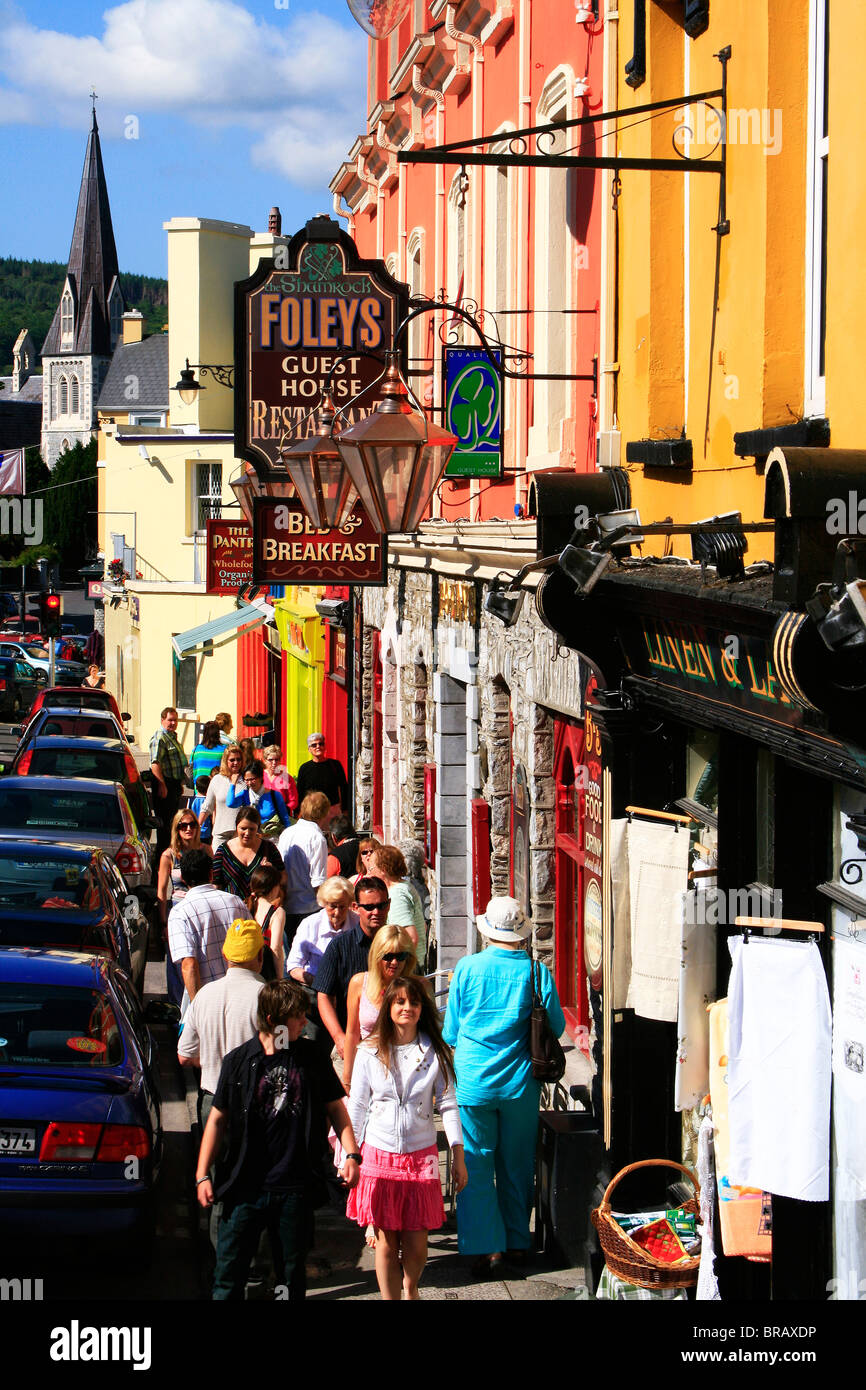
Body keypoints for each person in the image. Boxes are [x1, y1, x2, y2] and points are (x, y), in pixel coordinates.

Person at [195, 979, 362, 1301]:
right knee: (228, 1277)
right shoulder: (239, 1061)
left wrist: (351, 1154)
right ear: (273, 1021)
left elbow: (336, 1109)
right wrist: (203, 1173)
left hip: (294, 1189)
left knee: (289, 1278)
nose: (304, 1021)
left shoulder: (311, 1057)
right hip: (245, 1188)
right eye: (298, 1016)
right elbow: (217, 1118)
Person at [442, 896, 566, 1275]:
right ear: (521, 935)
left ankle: (485, 1247)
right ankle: (516, 1242)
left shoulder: (466, 969)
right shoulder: (536, 972)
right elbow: (557, 1028)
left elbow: (452, 1031)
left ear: (487, 932)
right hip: (519, 1084)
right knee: (516, 1165)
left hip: (475, 1081)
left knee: (476, 1164)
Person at [346, 975, 468, 1300]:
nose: (407, 1008)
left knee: (417, 1242)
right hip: (379, 1153)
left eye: (413, 1002)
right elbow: (357, 1106)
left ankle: (410, 1285)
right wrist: (349, 1156)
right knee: (387, 1240)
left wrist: (458, 1155)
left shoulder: (433, 1050)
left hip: (421, 1155)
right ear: (388, 1007)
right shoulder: (369, 1051)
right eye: (399, 1002)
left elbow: (448, 1103)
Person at [178, 917, 266, 1126]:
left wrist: (212, 1061)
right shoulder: (268, 997)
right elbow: (282, 1052)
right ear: (261, 954)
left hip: (211, 1100)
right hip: (253, 1104)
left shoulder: (203, 995)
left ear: (225, 955)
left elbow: (184, 1056)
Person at [315, 875, 389, 1060]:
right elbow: (323, 996)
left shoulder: (396, 944)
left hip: (390, 1043)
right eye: (369, 907)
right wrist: (339, 1037)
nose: (376, 912)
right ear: (356, 908)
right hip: (352, 1044)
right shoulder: (340, 946)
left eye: (381, 905)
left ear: (388, 905)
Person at [167, 849, 247, 1018]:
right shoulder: (235, 902)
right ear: (211, 874)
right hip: (240, 1000)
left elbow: (188, 964)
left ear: (182, 878)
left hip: (207, 1005)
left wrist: (197, 1011)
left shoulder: (180, 912)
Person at [342, 924, 417, 1091]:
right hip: (369, 1069)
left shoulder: (419, 987)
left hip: (408, 1072)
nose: (395, 962)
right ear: (377, 955)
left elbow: (429, 1034)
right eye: (388, 956)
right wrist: (347, 1079)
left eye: (401, 956)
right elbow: (352, 1033)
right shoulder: (359, 983)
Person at [287, 877, 359, 1050]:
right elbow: (293, 967)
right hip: (315, 994)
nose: (337, 912)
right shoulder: (310, 925)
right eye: (332, 906)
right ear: (323, 903)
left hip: (348, 993)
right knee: (317, 1047)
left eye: (342, 906)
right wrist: (318, 981)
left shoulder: (356, 923)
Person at [157, 810, 214, 1007]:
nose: (188, 828)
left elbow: (213, 882)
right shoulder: (169, 855)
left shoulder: (207, 850)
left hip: (202, 908)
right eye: (183, 825)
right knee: (177, 963)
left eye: (192, 825)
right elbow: (162, 891)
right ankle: (177, 1008)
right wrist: (163, 922)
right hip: (178, 910)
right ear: (176, 829)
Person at [278, 792, 331, 947]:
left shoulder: (287, 833)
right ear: (323, 813)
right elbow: (318, 880)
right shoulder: (316, 837)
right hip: (308, 907)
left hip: (287, 905)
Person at [368, 844, 426, 968]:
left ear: (382, 869)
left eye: (371, 868)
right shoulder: (404, 886)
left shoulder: (397, 895)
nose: (369, 874)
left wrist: (399, 968)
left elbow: (410, 937)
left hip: (405, 969)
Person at [212, 805, 284, 901]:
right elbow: (216, 885)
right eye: (243, 828)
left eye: (252, 829)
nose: (247, 833)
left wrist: (271, 871)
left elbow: (283, 878)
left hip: (260, 910)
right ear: (236, 827)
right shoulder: (223, 851)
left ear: (257, 828)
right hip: (232, 910)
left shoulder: (269, 849)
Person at [149, 706, 189, 858]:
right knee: (165, 826)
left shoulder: (172, 736)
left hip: (173, 785)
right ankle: (161, 859)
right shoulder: (160, 738)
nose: (173, 723)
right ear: (162, 720)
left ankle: (170, 855)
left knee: (173, 823)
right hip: (165, 785)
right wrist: (162, 785)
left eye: (175, 720)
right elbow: (155, 763)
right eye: (170, 720)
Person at [227, 761, 290, 840]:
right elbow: (230, 803)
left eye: (252, 779)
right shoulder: (245, 795)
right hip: (251, 839)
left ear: (260, 777)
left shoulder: (274, 795)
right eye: (246, 780)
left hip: (271, 839)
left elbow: (285, 818)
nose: (249, 783)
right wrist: (233, 784)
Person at [246, 861, 286, 982]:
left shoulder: (246, 905)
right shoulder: (277, 912)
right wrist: (280, 979)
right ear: (274, 887)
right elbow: (275, 947)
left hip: (247, 968)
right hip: (265, 972)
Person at [200, 743, 244, 846]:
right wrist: (198, 825)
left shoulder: (246, 780)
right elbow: (207, 806)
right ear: (225, 761)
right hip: (220, 833)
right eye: (232, 760)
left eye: (238, 759)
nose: (236, 763)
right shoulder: (217, 779)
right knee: (217, 862)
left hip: (240, 834)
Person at [296, 733, 349, 817]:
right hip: (312, 811)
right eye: (314, 745)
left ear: (325, 746)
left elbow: (343, 789)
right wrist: (298, 813)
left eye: (321, 744)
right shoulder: (304, 768)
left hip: (332, 811)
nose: (318, 746)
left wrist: (345, 810)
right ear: (309, 749)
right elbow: (300, 792)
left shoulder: (335, 765)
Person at [262, 745, 299, 818]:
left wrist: (284, 809)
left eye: (277, 759)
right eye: (270, 760)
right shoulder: (259, 776)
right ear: (265, 760)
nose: (274, 762)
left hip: (282, 818)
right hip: (262, 818)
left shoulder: (287, 778)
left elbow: (294, 801)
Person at [190, 774, 213, 844]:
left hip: (194, 831)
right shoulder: (209, 801)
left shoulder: (191, 800)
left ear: (196, 787)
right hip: (206, 832)